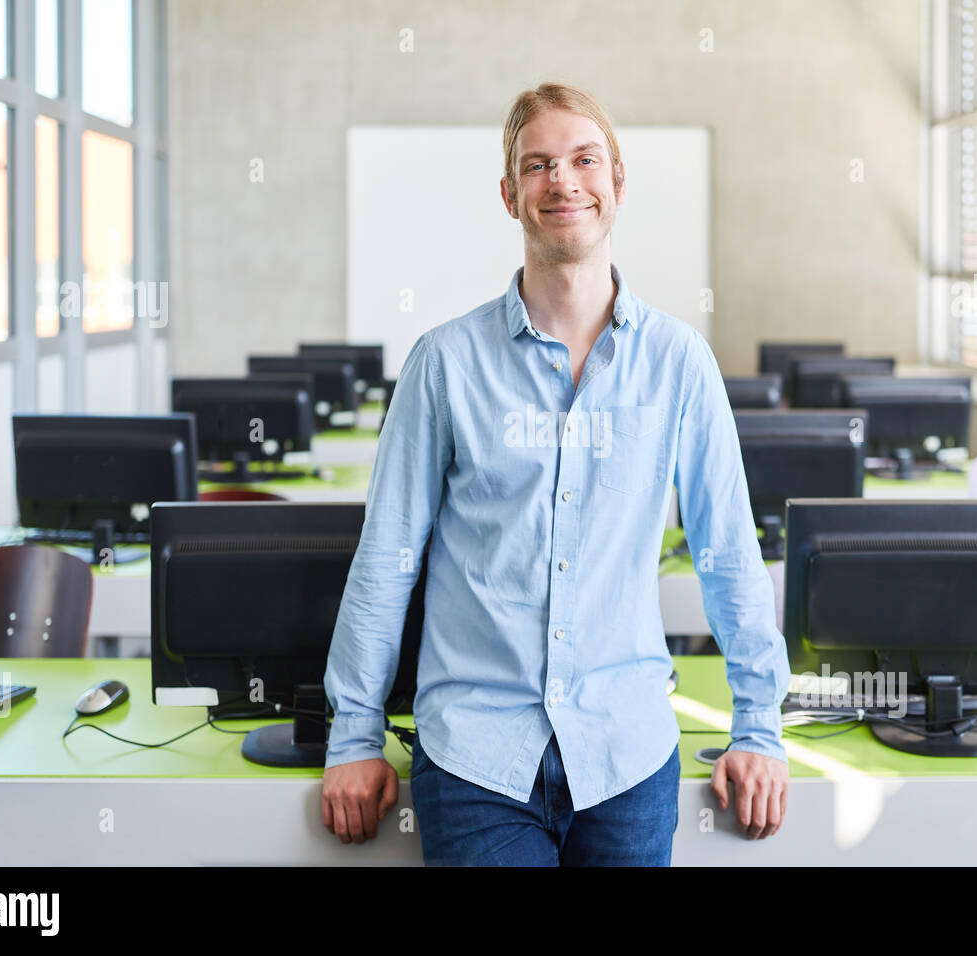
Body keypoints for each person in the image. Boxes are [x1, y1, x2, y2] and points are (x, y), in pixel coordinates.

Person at [320, 82, 790, 866]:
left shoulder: (679, 362)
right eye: (537, 166)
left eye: (583, 160)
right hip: (476, 757)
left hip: (626, 754)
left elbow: (728, 552)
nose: (562, 181)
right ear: (510, 195)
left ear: (618, 183)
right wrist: (354, 735)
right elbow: (388, 556)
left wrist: (759, 726)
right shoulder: (443, 364)